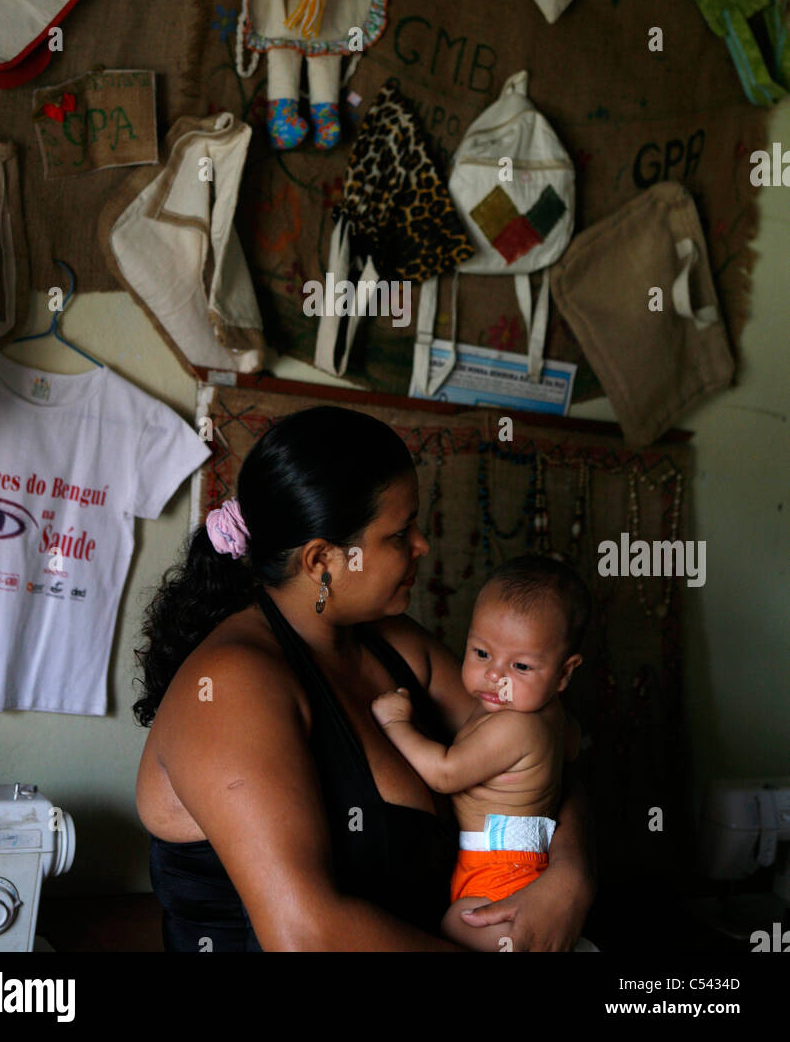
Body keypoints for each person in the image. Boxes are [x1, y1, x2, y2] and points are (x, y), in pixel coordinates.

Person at [133, 405, 595, 951]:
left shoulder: (394, 641)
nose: (422, 546)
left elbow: (552, 746)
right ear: (323, 560)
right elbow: (305, 936)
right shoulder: (230, 685)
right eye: (400, 534)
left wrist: (570, 877)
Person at [372, 556, 591, 951]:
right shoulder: (555, 718)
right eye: (481, 653)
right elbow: (572, 749)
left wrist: (396, 726)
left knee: (459, 925)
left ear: (564, 673)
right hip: (509, 864)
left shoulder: (515, 725)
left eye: (521, 665)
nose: (495, 676)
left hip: (503, 876)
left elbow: (444, 773)